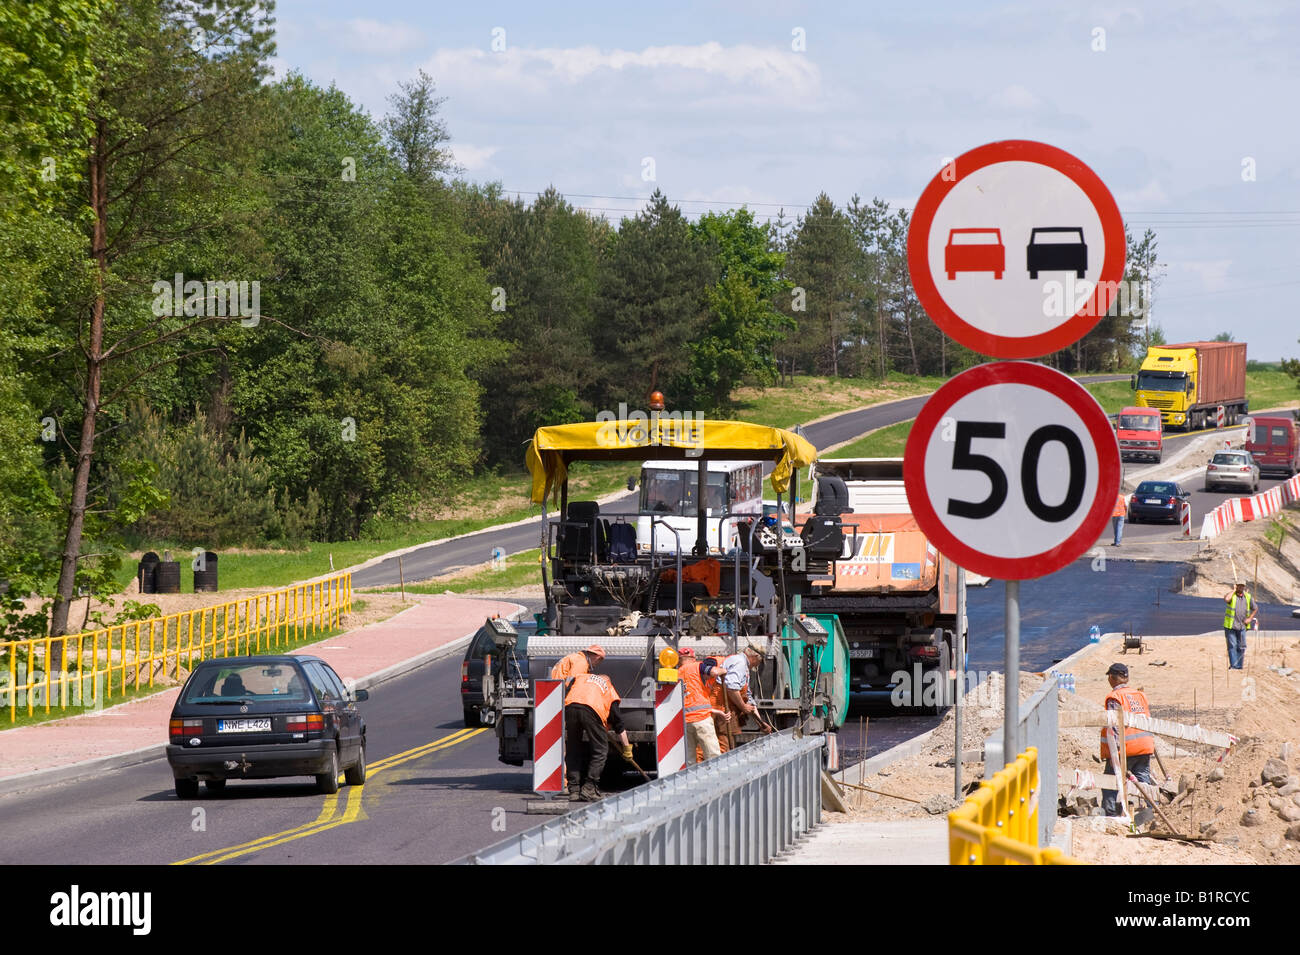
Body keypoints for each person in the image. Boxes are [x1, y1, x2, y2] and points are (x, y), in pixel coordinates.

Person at [1099, 662, 1156, 816]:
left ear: (1112, 677)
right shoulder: (1139, 695)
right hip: (1144, 746)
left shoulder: (1115, 697)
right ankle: (1151, 812)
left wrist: (1115, 752)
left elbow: (1115, 725)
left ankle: (1110, 814)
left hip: (1126, 748)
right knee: (1144, 781)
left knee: (1110, 782)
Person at [564, 672, 631, 802]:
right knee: (600, 751)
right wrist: (627, 748)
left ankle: (574, 790)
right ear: (609, 681)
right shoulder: (608, 688)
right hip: (592, 711)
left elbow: (568, 690)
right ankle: (589, 789)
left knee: (573, 749)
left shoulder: (582, 677)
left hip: (570, 707)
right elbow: (619, 725)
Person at [680, 655, 728, 763]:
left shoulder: (678, 672)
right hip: (701, 720)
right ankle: (715, 779)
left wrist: (716, 711)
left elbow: (692, 701)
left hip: (685, 722)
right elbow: (714, 672)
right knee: (713, 756)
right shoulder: (697, 666)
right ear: (693, 659)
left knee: (689, 760)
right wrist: (723, 670)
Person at [1222, 583, 1257, 670]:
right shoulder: (1232, 596)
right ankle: (1234, 666)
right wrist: (1233, 590)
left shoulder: (1248, 597)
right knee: (1232, 646)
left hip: (1242, 626)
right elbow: (1226, 599)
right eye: (1239, 586)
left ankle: (1239, 666)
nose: (1240, 587)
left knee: (1241, 646)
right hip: (1231, 626)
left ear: (1244, 587)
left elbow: (1255, 608)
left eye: (1242, 586)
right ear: (1236, 586)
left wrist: (1250, 619)